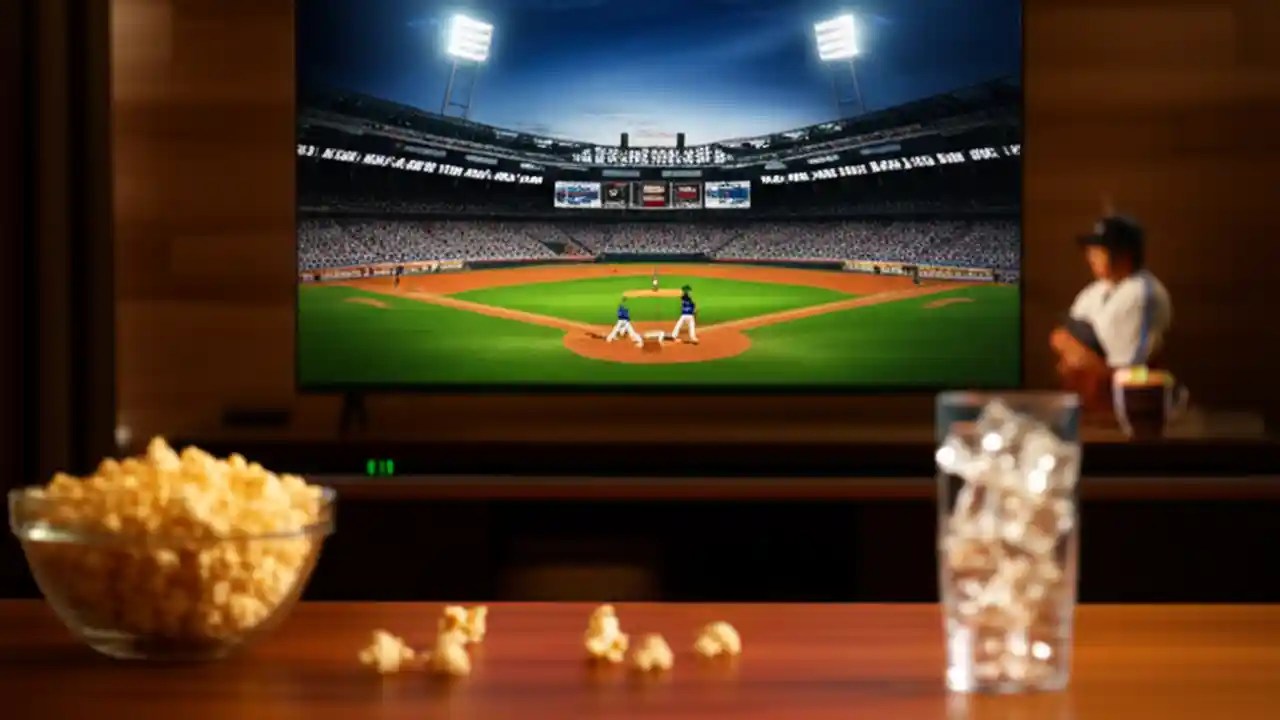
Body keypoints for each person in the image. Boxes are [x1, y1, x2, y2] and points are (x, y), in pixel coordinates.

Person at [1050, 215, 1172, 412]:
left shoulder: (1142, 294)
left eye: (1099, 250)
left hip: (1127, 408)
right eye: (1090, 250)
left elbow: (1128, 373)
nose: (1090, 256)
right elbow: (1059, 335)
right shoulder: (1097, 289)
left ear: (1124, 255)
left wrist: (1081, 360)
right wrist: (1072, 352)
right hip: (1088, 405)